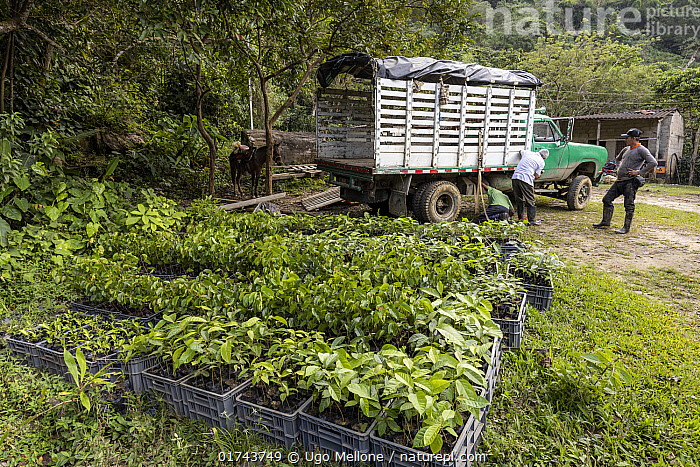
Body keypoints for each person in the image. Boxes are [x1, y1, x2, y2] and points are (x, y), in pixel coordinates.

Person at [593, 128, 658, 234]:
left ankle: (626, 227)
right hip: (619, 181)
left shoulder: (642, 150)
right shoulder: (626, 149)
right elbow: (617, 159)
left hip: (630, 182)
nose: (625, 140)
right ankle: (606, 221)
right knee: (607, 199)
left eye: (627, 138)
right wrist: (618, 167)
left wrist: (638, 172)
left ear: (633, 138)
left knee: (628, 205)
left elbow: (653, 162)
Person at [511, 148, 549, 226]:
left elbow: (520, 151)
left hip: (515, 177)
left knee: (519, 199)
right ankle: (532, 220)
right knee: (530, 200)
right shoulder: (541, 162)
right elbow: (537, 175)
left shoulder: (528, 153)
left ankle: (520, 219)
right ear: (544, 158)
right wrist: (540, 174)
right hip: (525, 179)